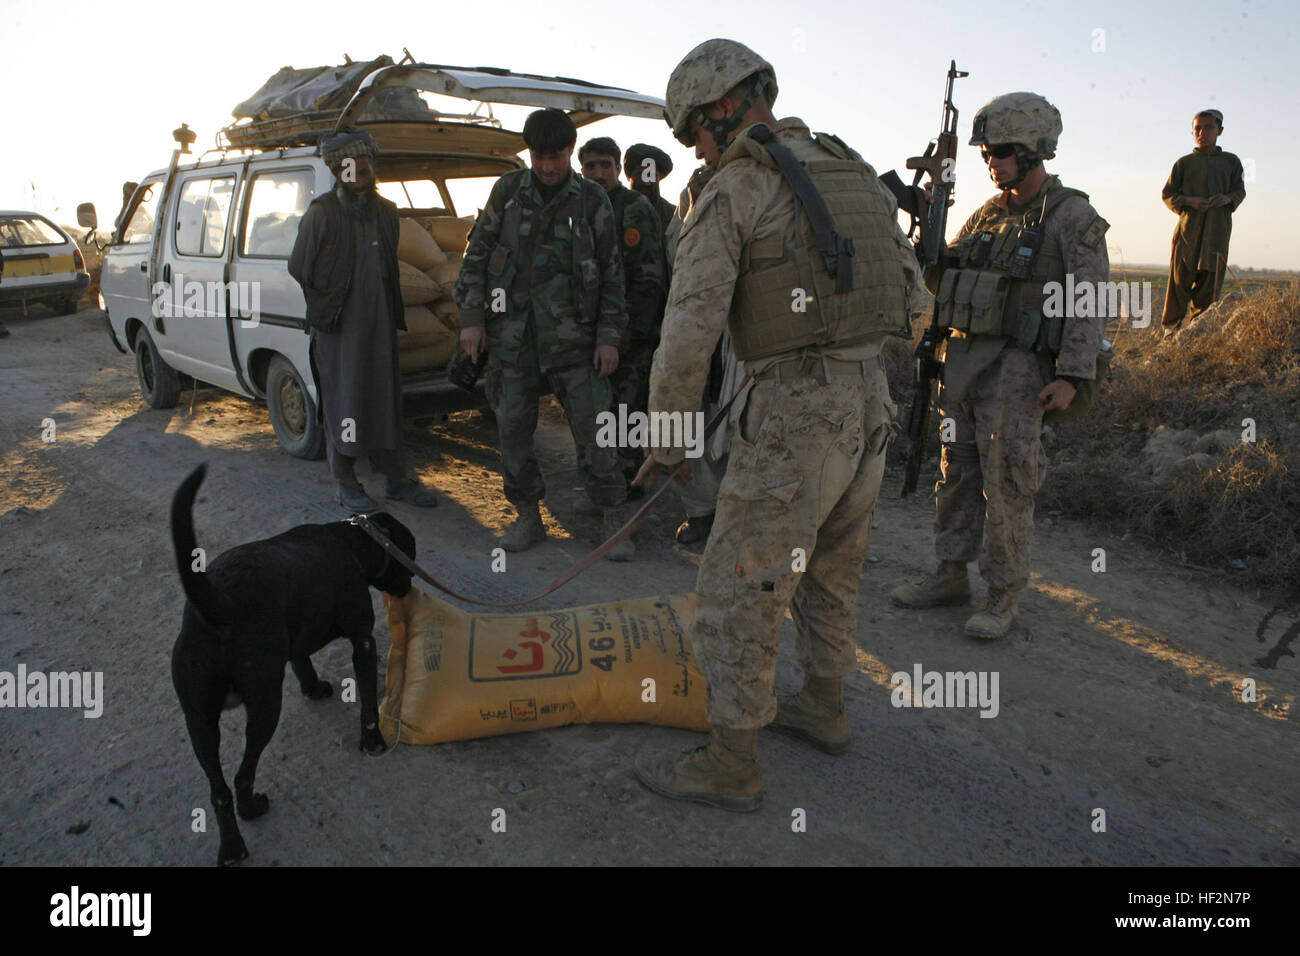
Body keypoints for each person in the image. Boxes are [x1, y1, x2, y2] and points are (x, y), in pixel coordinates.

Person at [633, 38, 919, 810]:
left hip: (797, 418)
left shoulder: (738, 188)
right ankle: (822, 706)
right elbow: (914, 300)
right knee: (831, 569)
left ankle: (730, 764)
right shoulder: (851, 170)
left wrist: (665, 443)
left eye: (693, 131)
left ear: (723, 108)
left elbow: (688, 327)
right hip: (870, 403)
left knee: (741, 585)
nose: (695, 149)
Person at [890, 92, 1110, 639]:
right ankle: (949, 573)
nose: (993, 162)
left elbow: (1088, 301)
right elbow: (944, 275)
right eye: (987, 152)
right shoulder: (987, 214)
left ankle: (1004, 592)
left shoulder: (1071, 217)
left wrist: (1073, 374)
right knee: (956, 473)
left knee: (1008, 480)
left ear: (1035, 151)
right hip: (962, 363)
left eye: (1002, 151)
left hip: (1018, 371)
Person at [454, 109, 634, 559]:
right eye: (539, 157)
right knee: (513, 433)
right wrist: (472, 319)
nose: (548, 166)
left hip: (576, 342)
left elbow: (613, 274)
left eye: (556, 157)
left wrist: (609, 337)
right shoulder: (507, 193)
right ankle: (528, 516)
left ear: (571, 151)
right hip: (513, 340)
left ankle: (613, 516)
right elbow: (476, 256)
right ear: (529, 153)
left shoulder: (592, 201)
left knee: (598, 435)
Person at [288, 127, 437, 511]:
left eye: (367, 167)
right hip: (339, 329)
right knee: (346, 401)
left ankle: (395, 480)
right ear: (339, 171)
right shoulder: (322, 214)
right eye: (353, 168)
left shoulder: (387, 213)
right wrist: (333, 298)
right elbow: (299, 267)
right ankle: (346, 480)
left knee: (386, 400)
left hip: (381, 326)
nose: (362, 175)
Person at [579, 136, 667, 496]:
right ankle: (599, 482)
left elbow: (649, 277)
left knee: (627, 411)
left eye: (606, 165)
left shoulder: (634, 208)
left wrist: (629, 328)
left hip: (631, 333)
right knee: (595, 411)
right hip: (590, 330)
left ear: (617, 168)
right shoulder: (577, 205)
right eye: (591, 166)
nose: (599, 173)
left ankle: (629, 486)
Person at [1160, 109, 1246, 333]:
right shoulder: (1184, 164)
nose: (1202, 132)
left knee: (1209, 284)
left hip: (1217, 233)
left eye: (1208, 127)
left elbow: (1239, 191)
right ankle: (1171, 333)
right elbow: (1168, 194)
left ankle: (1198, 333)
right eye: (1197, 128)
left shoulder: (1231, 162)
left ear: (1220, 131)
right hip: (1188, 233)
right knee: (1179, 284)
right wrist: (1190, 201)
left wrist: (1227, 198)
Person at [623, 144, 677, 235]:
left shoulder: (675, 215)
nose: (646, 182)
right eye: (640, 174)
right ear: (629, 176)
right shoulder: (615, 209)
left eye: (650, 175)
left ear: (659, 177)